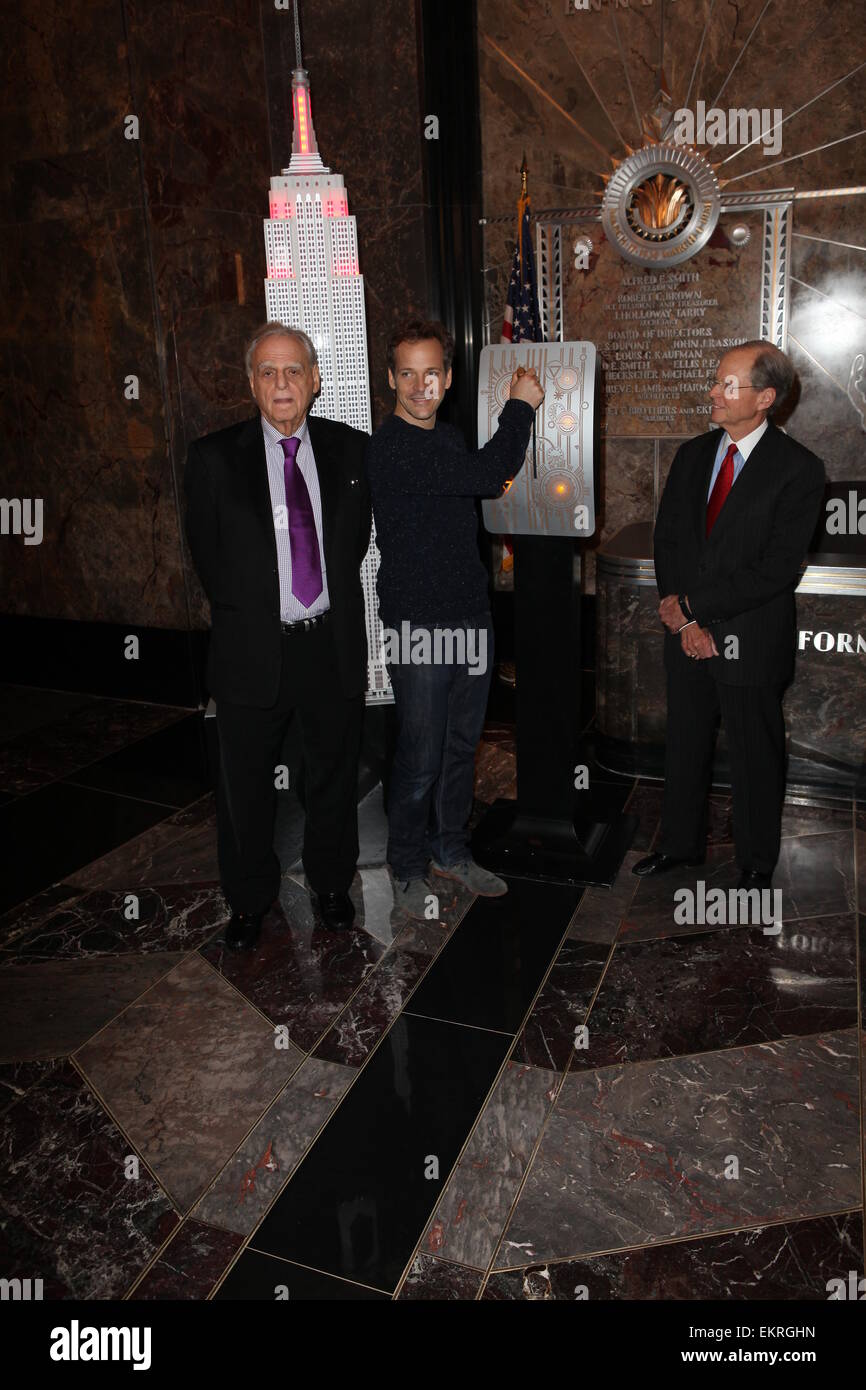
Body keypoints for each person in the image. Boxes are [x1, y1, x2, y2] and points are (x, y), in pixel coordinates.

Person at [185, 322, 372, 948]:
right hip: (250, 651)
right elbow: (209, 560)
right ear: (251, 385)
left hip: (329, 644)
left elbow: (352, 547)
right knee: (243, 787)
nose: (281, 382)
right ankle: (249, 899)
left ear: (315, 380)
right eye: (268, 371)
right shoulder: (213, 460)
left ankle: (331, 886)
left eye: (293, 370)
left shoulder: (351, 452)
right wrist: (255, 615)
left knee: (332, 778)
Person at [367, 317, 544, 918]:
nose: (421, 385)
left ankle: (451, 850)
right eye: (408, 374)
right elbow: (484, 475)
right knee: (419, 752)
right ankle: (408, 866)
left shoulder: (444, 437)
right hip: (419, 626)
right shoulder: (390, 445)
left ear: (448, 376)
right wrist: (520, 407)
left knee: (461, 747)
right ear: (391, 378)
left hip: (470, 618)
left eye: (432, 373)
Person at [633, 340, 825, 889]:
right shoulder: (694, 455)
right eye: (715, 382)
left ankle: (756, 862)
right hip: (687, 634)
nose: (713, 393)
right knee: (685, 743)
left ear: (765, 397)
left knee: (754, 755)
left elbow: (776, 570)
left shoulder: (800, 471)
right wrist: (685, 621)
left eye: (727, 385)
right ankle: (679, 845)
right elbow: (668, 541)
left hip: (752, 637)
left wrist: (696, 608)